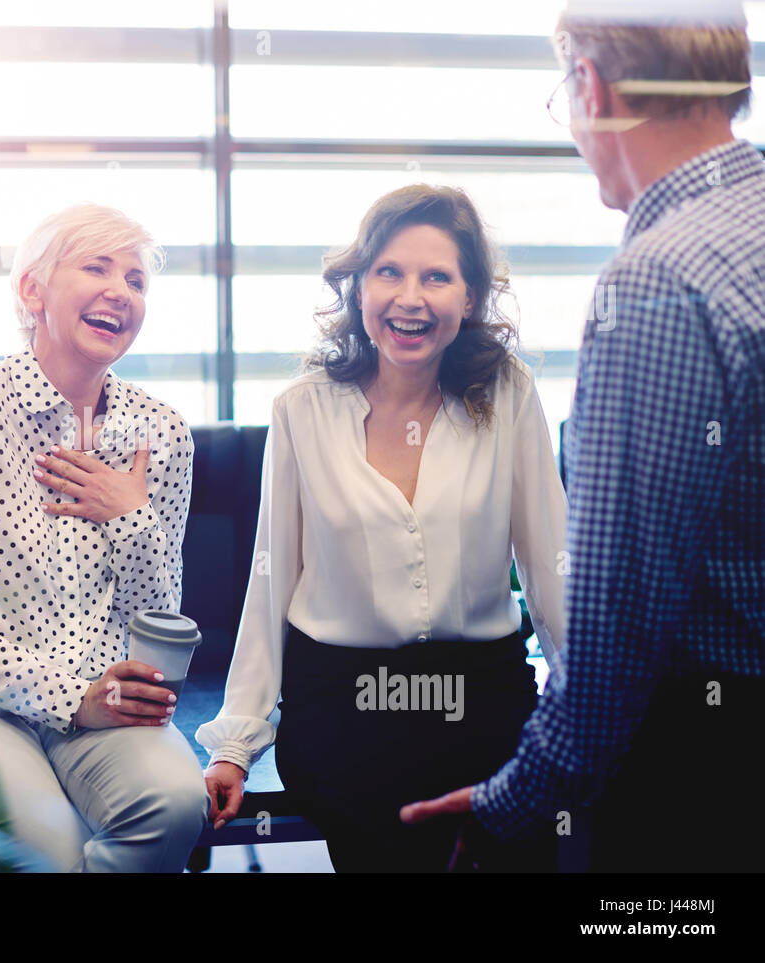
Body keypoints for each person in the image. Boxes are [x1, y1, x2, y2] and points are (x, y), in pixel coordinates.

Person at [401, 0, 764, 873]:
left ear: (591, 85)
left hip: (703, 762)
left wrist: (514, 804)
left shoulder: (658, 282)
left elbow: (620, 613)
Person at [198, 185, 568, 872]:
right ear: (358, 285)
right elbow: (270, 578)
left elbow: (551, 562)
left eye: (437, 276)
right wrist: (235, 742)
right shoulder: (301, 408)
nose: (410, 297)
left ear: (470, 297)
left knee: (522, 839)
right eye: (389, 272)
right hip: (344, 696)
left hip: (480, 687)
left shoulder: (508, 390)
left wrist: (586, 704)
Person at [0, 204, 208, 871]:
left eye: (136, 280)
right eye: (96, 267)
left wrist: (129, 513)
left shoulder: (161, 430)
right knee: (50, 850)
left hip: (96, 689)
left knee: (173, 802)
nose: (120, 290)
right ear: (33, 290)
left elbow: (158, 617)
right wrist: (67, 698)